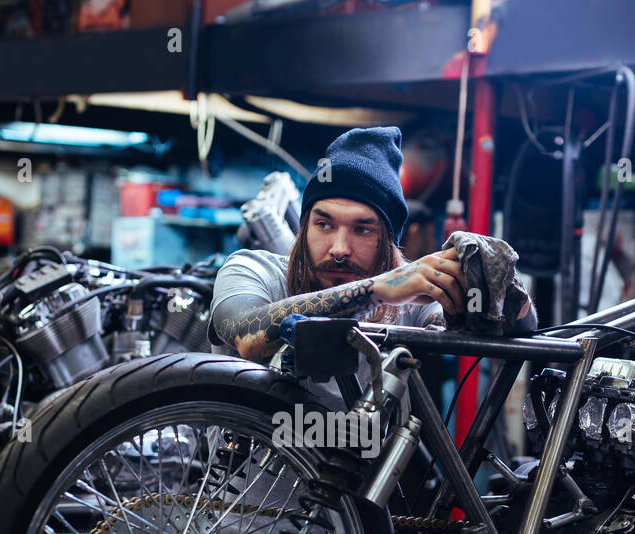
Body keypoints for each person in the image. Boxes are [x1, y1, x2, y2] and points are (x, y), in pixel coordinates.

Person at [210, 126, 535, 383]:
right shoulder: (253, 269)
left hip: (370, 467)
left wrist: (500, 292)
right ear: (305, 226)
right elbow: (245, 336)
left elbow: (508, 329)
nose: (339, 248)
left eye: (363, 229)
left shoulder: (411, 301)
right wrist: (378, 289)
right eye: (323, 224)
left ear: (389, 242)